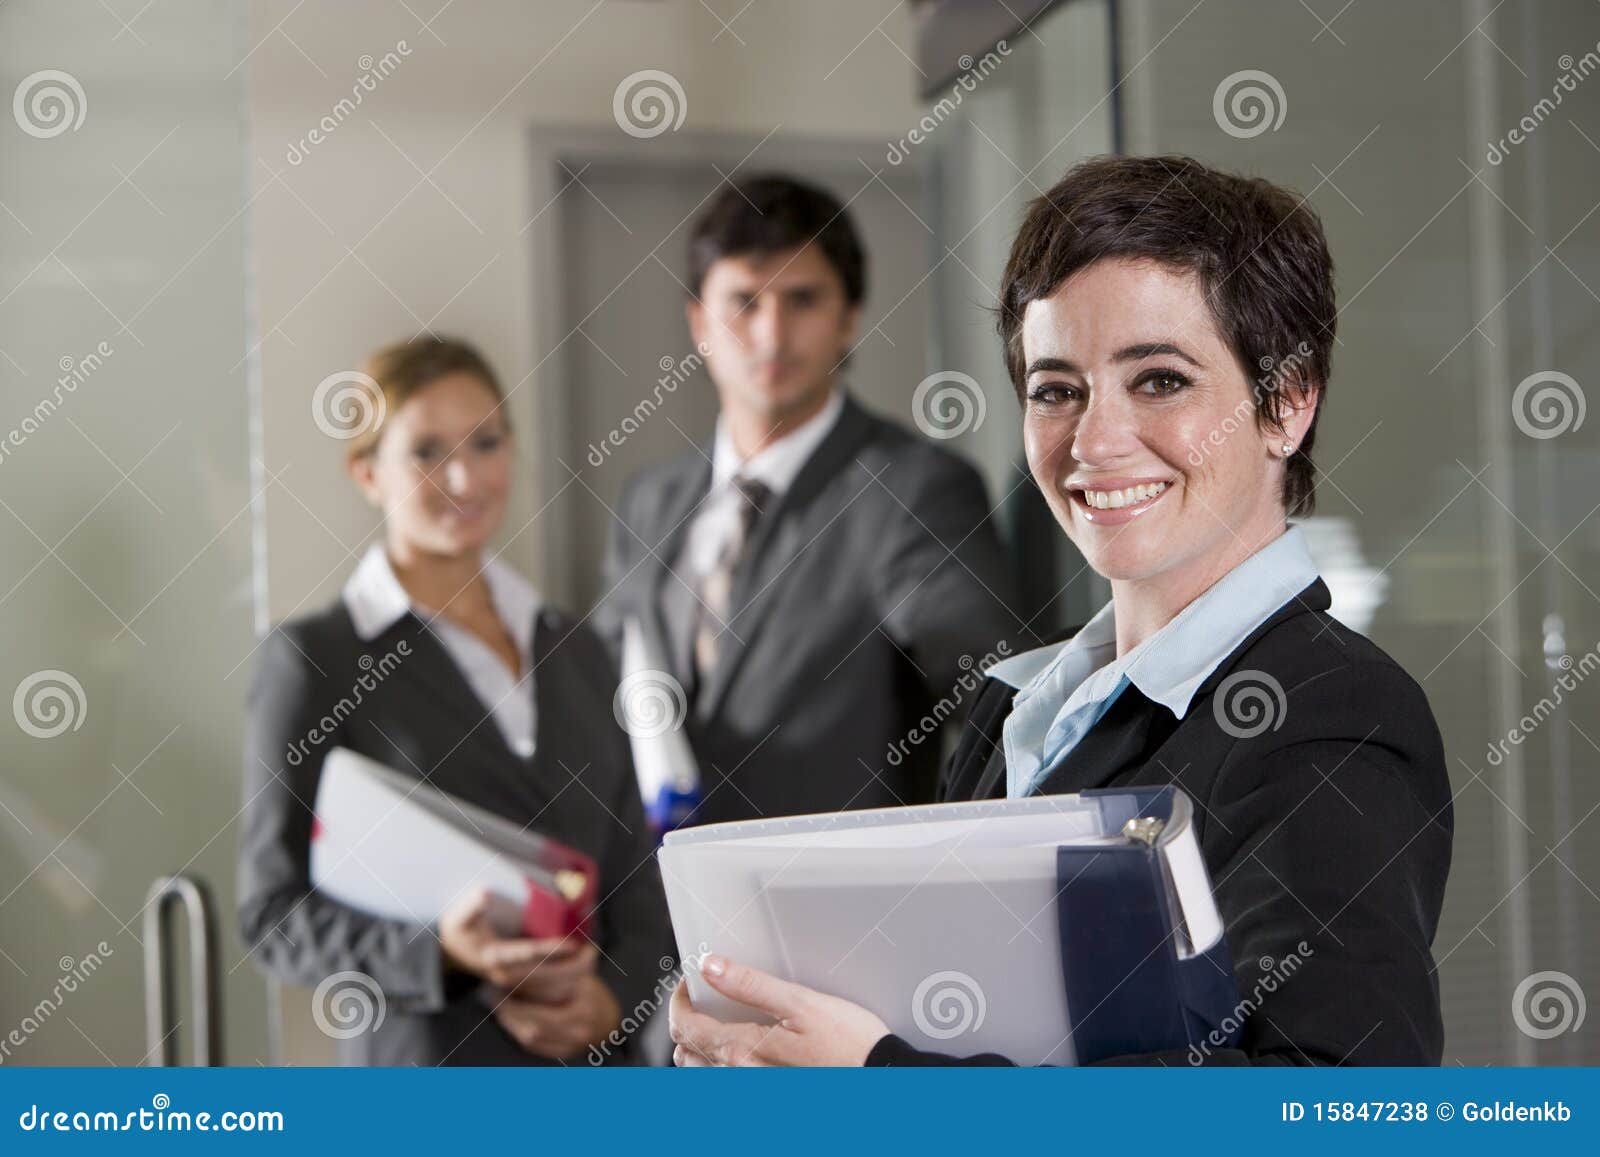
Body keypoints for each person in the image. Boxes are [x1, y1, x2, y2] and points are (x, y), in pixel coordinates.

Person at [667, 154, 1454, 1067]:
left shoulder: (1334, 716)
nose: (1093, 441)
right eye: (1056, 389)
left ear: (1286, 402)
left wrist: (879, 1080)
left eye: (1159, 379)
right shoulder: (1017, 708)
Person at [239, 336, 670, 1066]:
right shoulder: (318, 660)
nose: (465, 477)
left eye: (488, 442)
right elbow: (273, 915)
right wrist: (437, 950)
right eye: (428, 451)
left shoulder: (577, 647)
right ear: (366, 471)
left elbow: (638, 877)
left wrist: (613, 1002)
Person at [592, 173, 1020, 826]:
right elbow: (606, 698)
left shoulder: (913, 489)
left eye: (802, 299)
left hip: (838, 909)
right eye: (744, 302)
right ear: (699, 322)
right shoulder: (650, 499)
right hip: (664, 909)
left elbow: (1002, 704)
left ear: (849, 316)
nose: (771, 333)